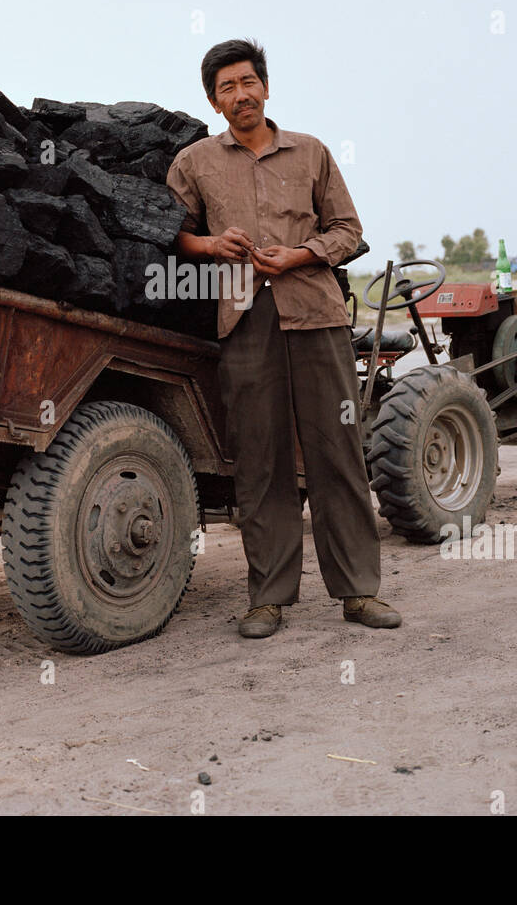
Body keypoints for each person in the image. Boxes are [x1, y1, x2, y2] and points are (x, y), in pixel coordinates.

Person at [165, 38, 401, 638]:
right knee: (261, 460)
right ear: (214, 102)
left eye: (248, 82)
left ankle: (358, 593)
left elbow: (349, 229)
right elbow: (173, 235)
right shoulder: (195, 163)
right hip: (245, 322)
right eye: (226, 88)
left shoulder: (312, 153)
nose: (240, 94)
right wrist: (213, 246)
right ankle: (267, 598)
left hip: (317, 317)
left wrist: (300, 255)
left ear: (266, 88)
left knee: (337, 453)